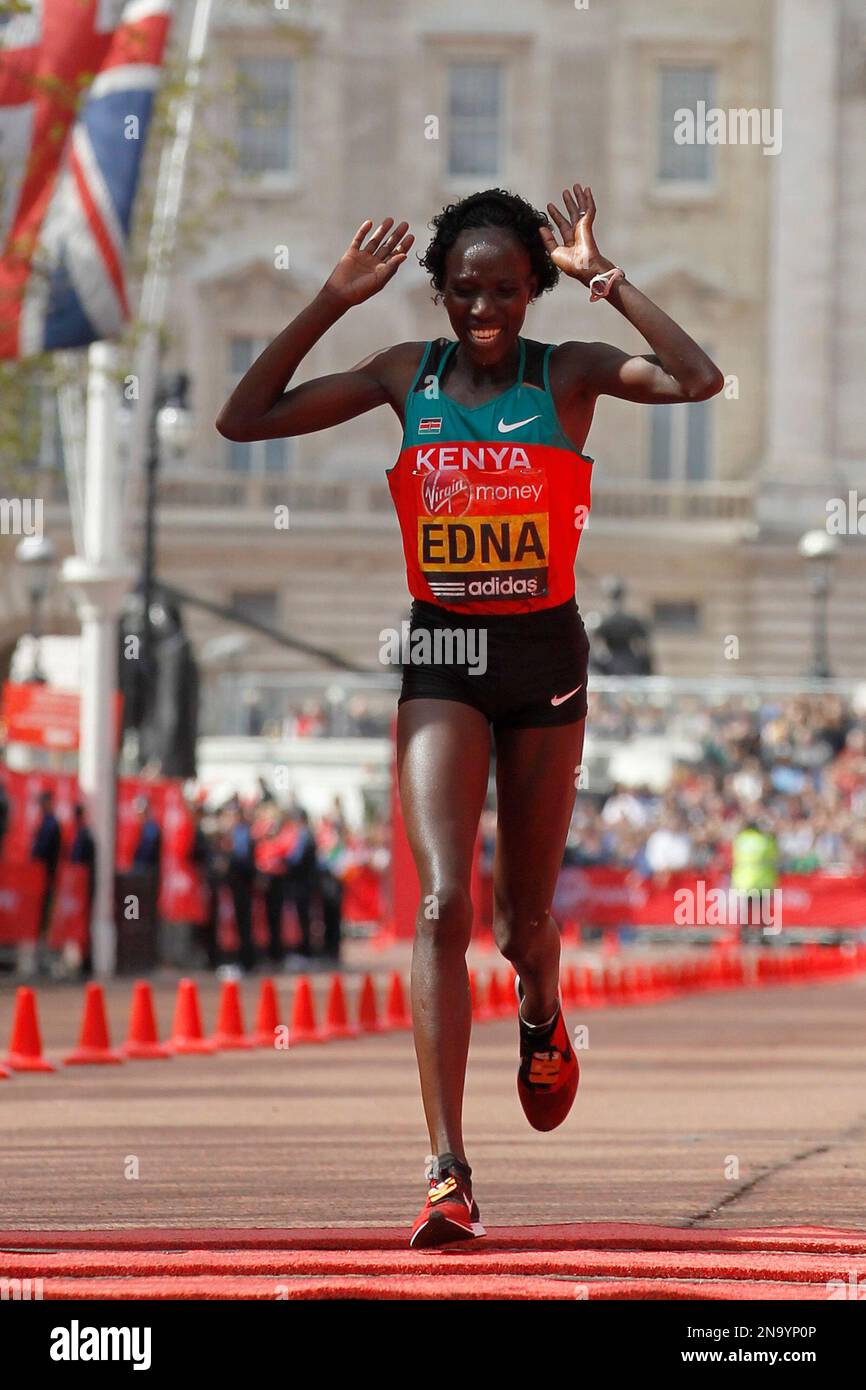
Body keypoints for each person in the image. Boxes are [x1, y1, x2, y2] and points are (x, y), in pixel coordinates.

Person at [216, 183, 724, 1247]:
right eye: (461, 291)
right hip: (442, 651)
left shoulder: (569, 370)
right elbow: (244, 417)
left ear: (532, 290)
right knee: (442, 906)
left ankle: (540, 1010)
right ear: (439, 295)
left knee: (516, 923)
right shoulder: (412, 374)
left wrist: (608, 279)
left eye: (502, 289)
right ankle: (446, 1167)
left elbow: (697, 378)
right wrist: (328, 301)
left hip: (542, 656)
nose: (481, 308)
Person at [30, 789, 62, 968]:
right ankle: (40, 958)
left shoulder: (50, 825)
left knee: (45, 920)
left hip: (47, 880)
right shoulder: (45, 823)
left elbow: (40, 852)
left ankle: (43, 960)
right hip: (40, 881)